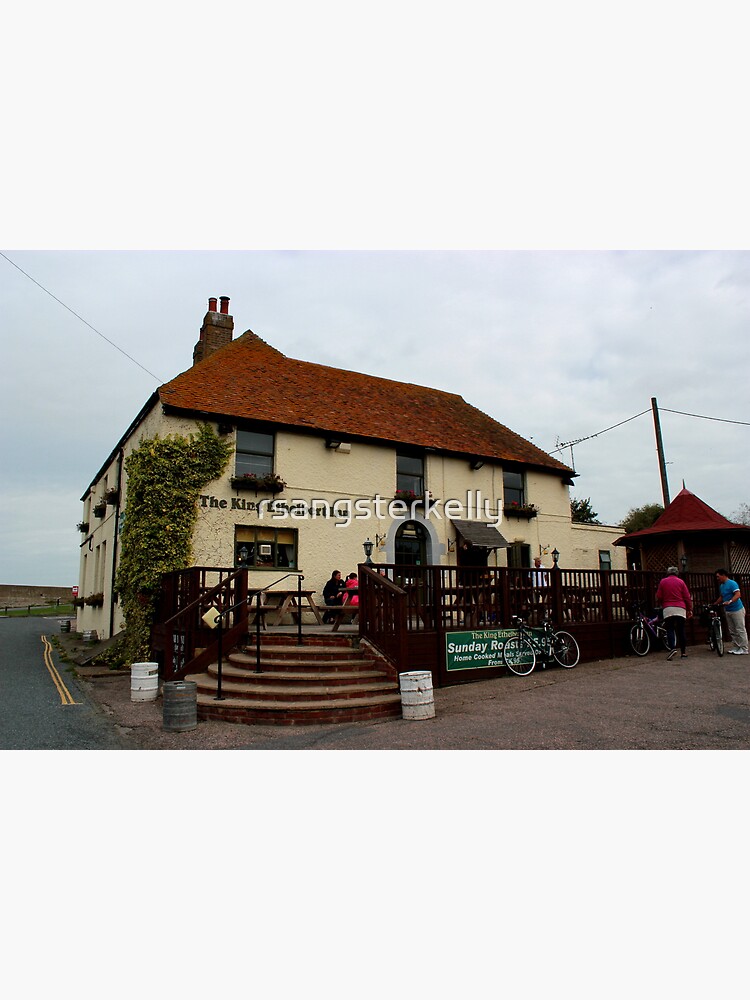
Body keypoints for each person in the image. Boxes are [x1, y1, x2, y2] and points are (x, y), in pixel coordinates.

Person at [655, 566, 693, 660]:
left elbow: (659, 596)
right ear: (677, 573)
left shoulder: (663, 581)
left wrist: (661, 603)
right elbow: (687, 597)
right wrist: (689, 609)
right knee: (681, 630)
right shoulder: (681, 582)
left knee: (670, 629)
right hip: (680, 608)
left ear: (668, 573)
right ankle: (683, 653)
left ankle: (672, 648)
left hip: (668, 608)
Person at [714, 569, 748, 654]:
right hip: (728, 610)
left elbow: (738, 594)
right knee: (732, 630)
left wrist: (730, 601)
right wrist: (714, 604)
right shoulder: (722, 586)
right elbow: (722, 596)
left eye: (718, 576)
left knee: (740, 629)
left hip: (737, 609)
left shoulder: (732, 583)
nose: (717, 578)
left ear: (723, 575)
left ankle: (744, 648)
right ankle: (736, 647)